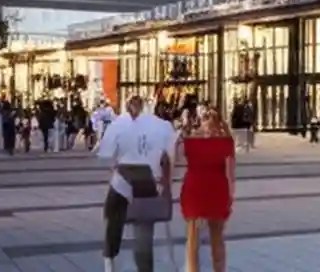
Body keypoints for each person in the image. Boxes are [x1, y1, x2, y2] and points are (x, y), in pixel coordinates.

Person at [98, 95, 178, 272]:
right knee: (143, 229)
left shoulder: (118, 125)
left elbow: (106, 155)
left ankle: (109, 256)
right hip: (150, 182)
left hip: (124, 180)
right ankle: (142, 267)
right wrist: (166, 183)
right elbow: (171, 157)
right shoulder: (162, 126)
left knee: (112, 214)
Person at [180, 108, 236, 272]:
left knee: (193, 237)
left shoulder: (190, 141)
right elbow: (230, 174)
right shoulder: (225, 142)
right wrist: (231, 195)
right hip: (216, 189)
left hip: (195, 189)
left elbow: (173, 157)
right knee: (216, 237)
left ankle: (192, 269)